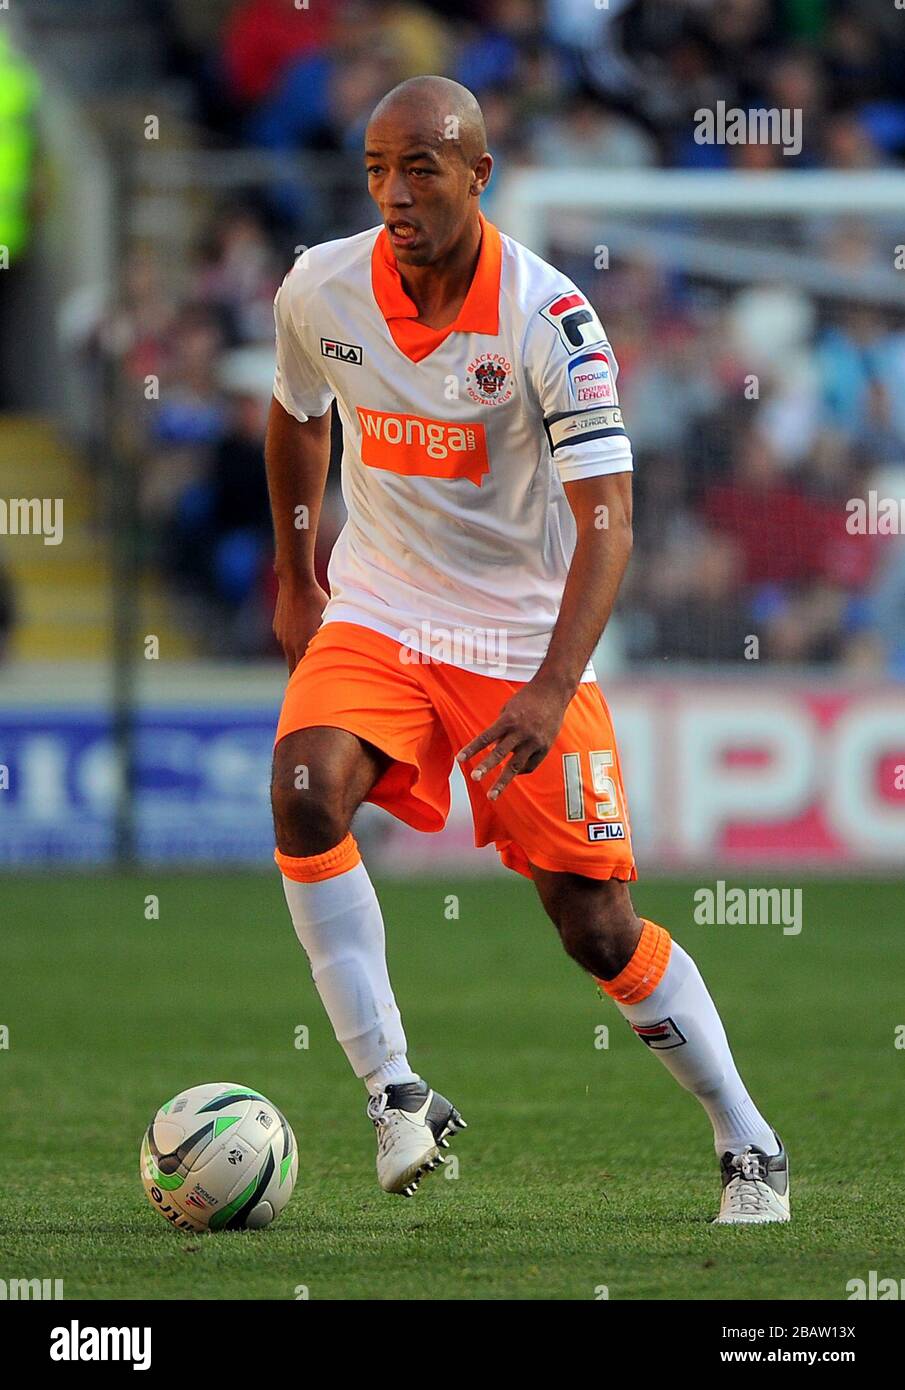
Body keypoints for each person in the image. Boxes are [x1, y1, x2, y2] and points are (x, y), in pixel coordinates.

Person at [266, 75, 789, 1223]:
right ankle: (394, 1091)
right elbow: (298, 412)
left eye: (420, 169)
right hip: (380, 609)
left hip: (516, 635)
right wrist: (296, 570)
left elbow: (609, 519)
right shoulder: (320, 286)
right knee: (304, 790)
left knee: (593, 925)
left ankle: (745, 1136)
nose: (394, 193)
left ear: (477, 175)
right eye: (376, 170)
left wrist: (552, 685)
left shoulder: (548, 319)